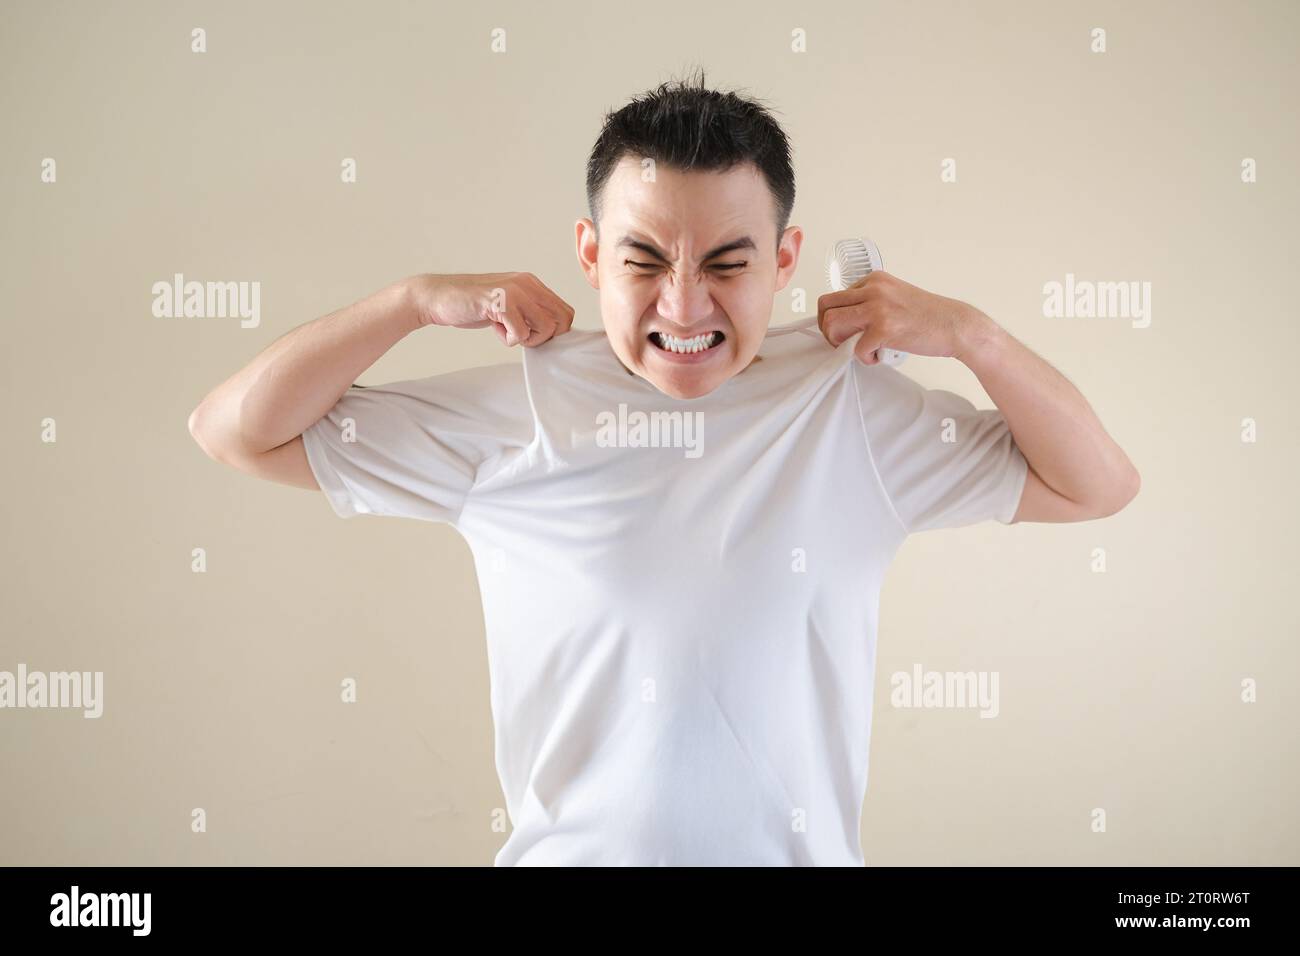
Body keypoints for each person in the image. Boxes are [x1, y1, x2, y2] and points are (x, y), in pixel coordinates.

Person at [188, 69, 1140, 866]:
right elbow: (235, 430)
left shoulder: (847, 407)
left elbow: (1097, 483)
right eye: (645, 261)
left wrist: (973, 335)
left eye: (728, 263)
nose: (684, 309)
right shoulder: (520, 408)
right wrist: (408, 302)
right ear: (591, 255)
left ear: (785, 259)